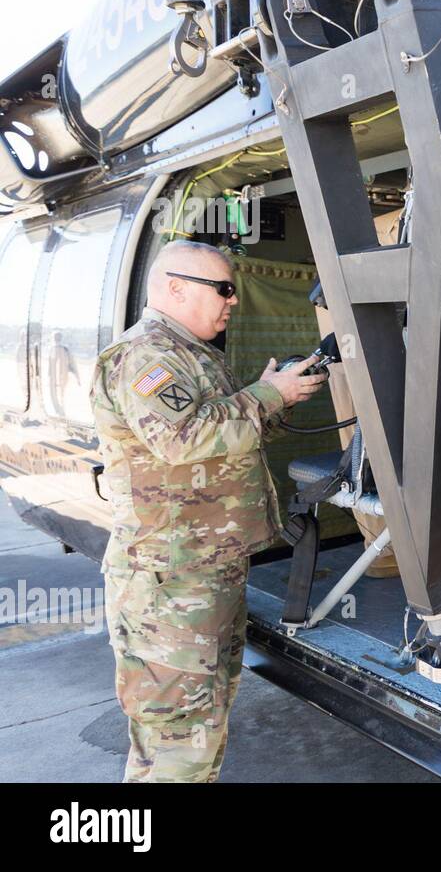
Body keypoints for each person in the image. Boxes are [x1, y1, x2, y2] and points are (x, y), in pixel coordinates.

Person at [91, 240, 327, 781]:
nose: (232, 301)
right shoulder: (145, 356)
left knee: (202, 723)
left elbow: (221, 435)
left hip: (202, 572)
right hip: (169, 584)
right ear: (175, 288)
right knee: (177, 740)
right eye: (222, 289)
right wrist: (268, 395)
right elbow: (183, 437)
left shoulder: (192, 354)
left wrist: (276, 395)